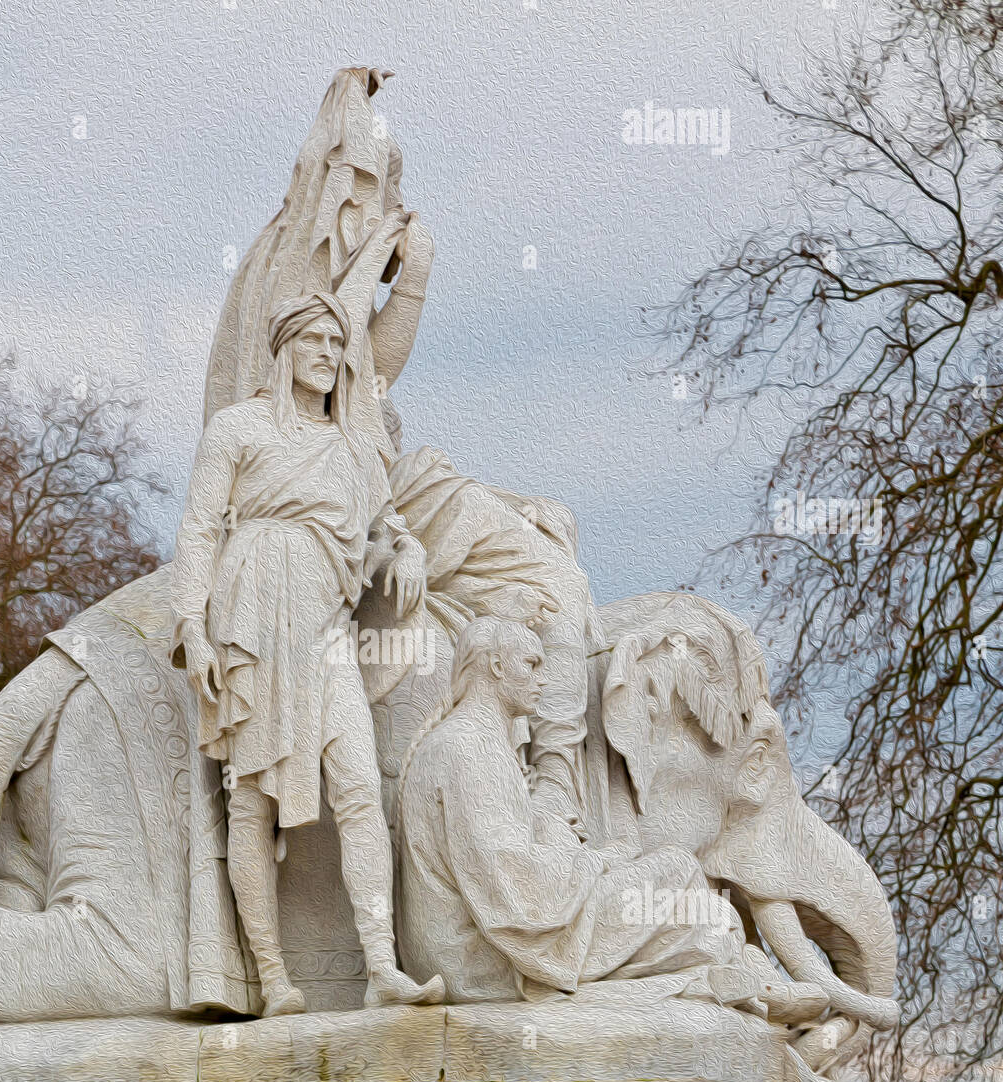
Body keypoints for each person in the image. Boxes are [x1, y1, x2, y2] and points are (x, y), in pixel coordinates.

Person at [171, 290, 445, 1016]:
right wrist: (193, 630)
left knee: (358, 788)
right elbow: (198, 530)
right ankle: (272, 978)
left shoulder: (353, 448)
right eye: (315, 341)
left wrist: (409, 550)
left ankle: (382, 967)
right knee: (251, 801)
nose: (328, 354)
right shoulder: (237, 429)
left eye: (336, 344)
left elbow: (388, 526)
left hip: (326, 632)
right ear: (285, 347)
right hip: (252, 620)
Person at [396, 616, 829, 1024]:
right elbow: (516, 892)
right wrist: (595, 863)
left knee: (678, 895)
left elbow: (513, 865)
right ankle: (735, 977)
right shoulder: (468, 749)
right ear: (495, 666)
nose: (541, 679)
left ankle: (734, 977)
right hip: (483, 958)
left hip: (497, 938)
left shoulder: (480, 745)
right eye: (531, 664)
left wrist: (585, 851)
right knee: (675, 869)